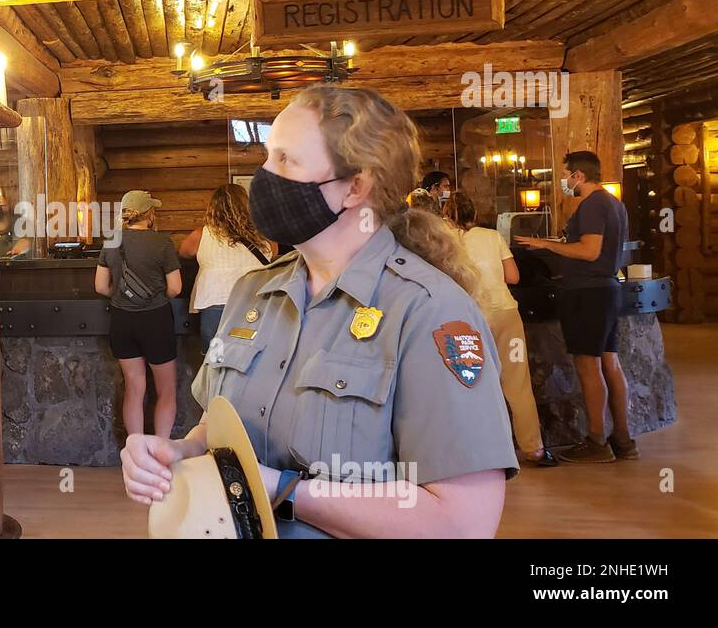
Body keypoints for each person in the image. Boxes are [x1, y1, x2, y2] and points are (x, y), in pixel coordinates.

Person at [120, 85, 518, 538]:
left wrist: (282, 490)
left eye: (285, 160)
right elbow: (217, 423)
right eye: (268, 157)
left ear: (356, 187)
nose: (264, 177)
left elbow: (462, 524)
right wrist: (181, 452)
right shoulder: (252, 291)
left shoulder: (429, 311)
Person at [515, 151, 635, 463]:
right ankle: (623, 440)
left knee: (588, 365)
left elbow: (590, 250)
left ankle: (596, 441)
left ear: (578, 175)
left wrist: (545, 244)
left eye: (565, 174)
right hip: (607, 289)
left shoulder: (593, 204)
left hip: (588, 292)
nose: (563, 181)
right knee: (610, 362)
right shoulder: (614, 203)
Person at [446, 193, 556, 467]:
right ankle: (534, 449)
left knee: (471, 384)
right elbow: (513, 277)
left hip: (469, 320)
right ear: (474, 214)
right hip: (506, 315)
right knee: (518, 384)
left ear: (446, 217)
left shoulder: (444, 242)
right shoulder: (492, 236)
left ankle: (480, 453)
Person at [96, 190, 182, 439]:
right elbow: (175, 287)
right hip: (155, 320)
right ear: (149, 214)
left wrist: (121, 296)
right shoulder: (162, 243)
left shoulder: (111, 241)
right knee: (166, 391)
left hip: (122, 320)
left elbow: (100, 286)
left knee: (134, 388)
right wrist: (154, 297)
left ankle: (135, 450)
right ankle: (161, 449)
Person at [179, 183, 273, 353]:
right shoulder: (264, 236)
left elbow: (184, 252)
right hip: (254, 301)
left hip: (216, 301)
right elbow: (272, 254)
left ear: (213, 208)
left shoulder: (201, 235)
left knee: (215, 357)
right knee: (250, 354)